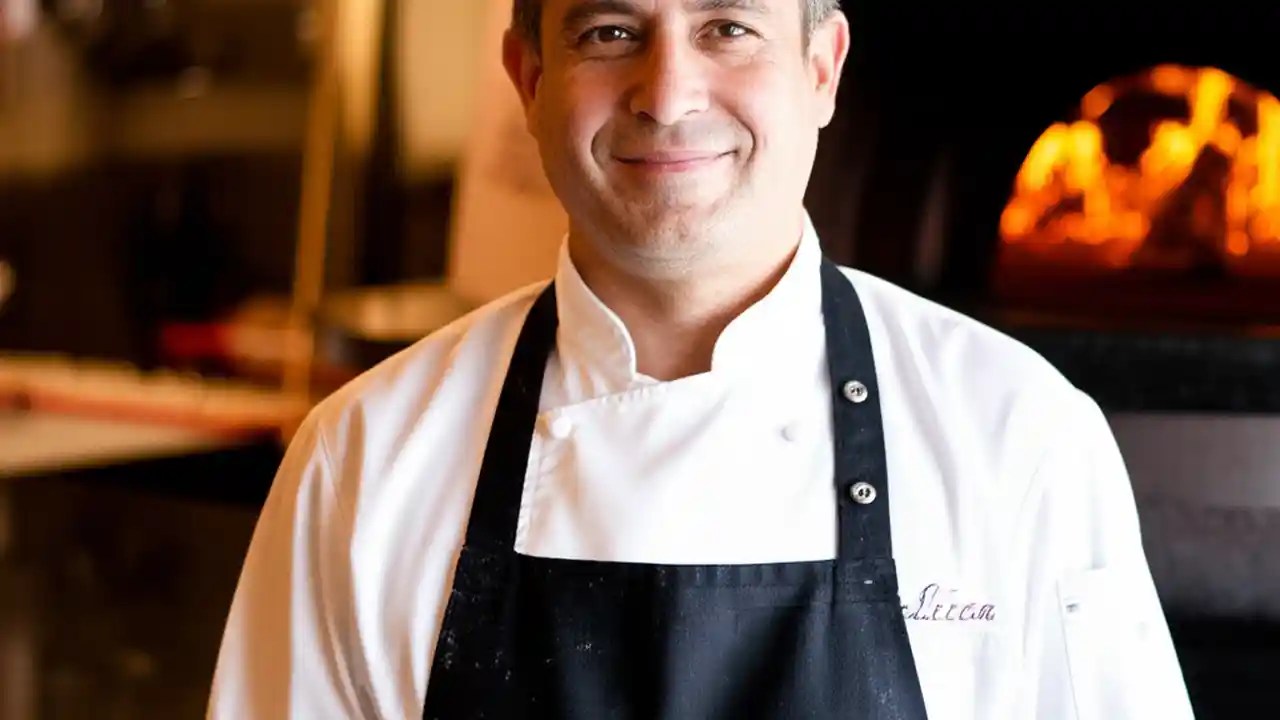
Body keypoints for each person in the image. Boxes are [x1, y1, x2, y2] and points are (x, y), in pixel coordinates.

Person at [209, 0, 1195, 717]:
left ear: (821, 67)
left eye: (726, 27)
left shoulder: (1017, 434)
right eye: (609, 32)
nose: (668, 92)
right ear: (527, 77)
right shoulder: (365, 456)